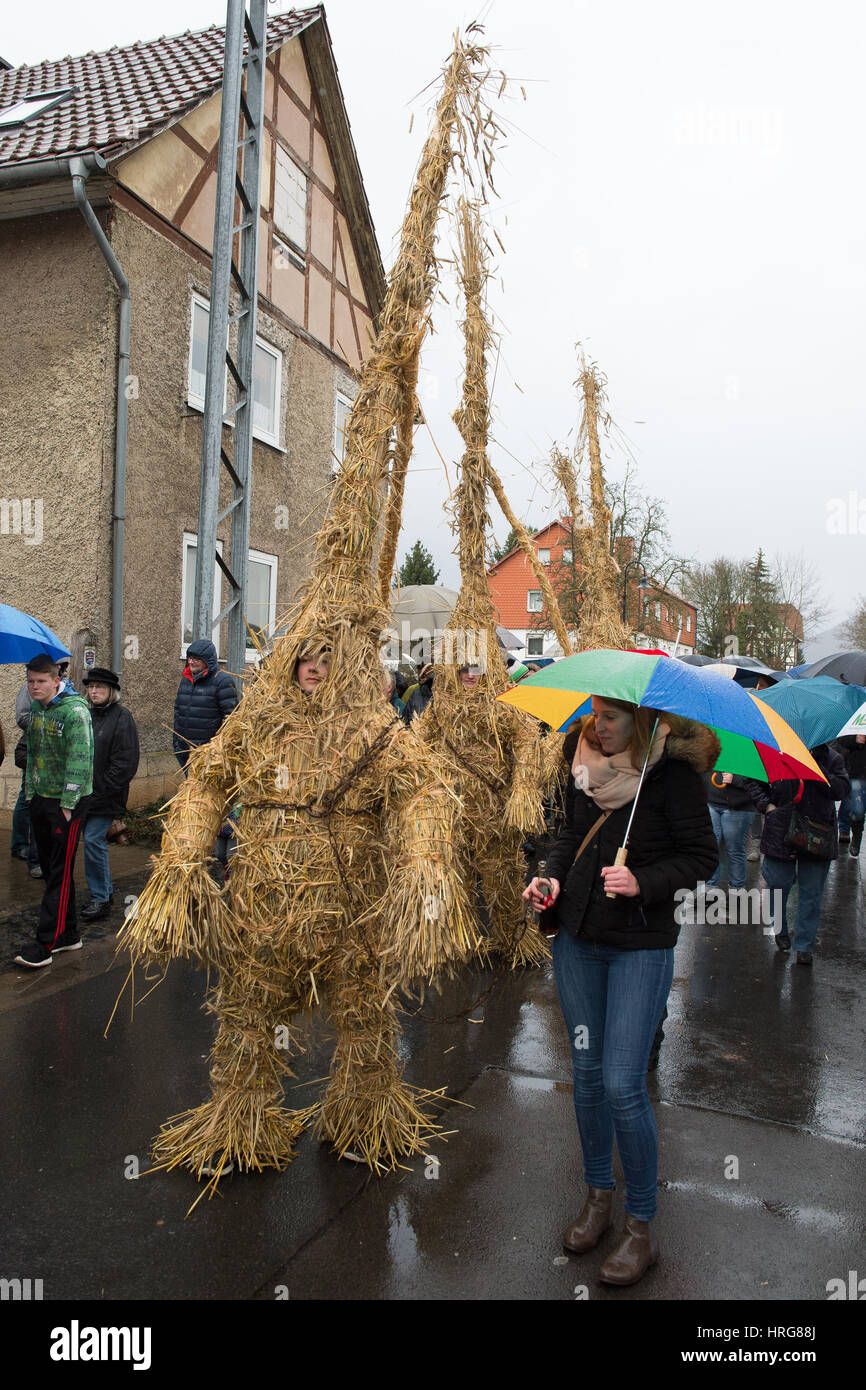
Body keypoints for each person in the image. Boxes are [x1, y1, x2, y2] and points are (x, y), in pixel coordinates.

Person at [524, 696, 718, 1285]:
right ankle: (597, 1198)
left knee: (621, 1084)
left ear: (641, 721)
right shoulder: (582, 763)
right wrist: (550, 879)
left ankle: (639, 1227)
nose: (597, 726)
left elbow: (702, 857)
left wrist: (643, 881)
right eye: (593, 715)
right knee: (585, 1074)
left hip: (640, 947)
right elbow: (567, 837)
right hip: (579, 940)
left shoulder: (673, 777)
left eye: (609, 718)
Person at [14, 653, 94, 968]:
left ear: (55, 680)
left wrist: (68, 804)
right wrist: (31, 793)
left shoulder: (75, 711)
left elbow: (81, 758)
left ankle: (45, 944)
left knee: (58, 874)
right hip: (41, 797)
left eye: (41, 681)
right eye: (31, 681)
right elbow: (32, 752)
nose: (35, 687)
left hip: (67, 803)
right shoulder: (36, 710)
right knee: (51, 871)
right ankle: (69, 934)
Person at [745, 744, 849, 965]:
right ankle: (780, 928)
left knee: (811, 894)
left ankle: (804, 945)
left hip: (816, 834)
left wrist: (817, 767)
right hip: (780, 831)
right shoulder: (773, 753)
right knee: (776, 883)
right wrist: (766, 805)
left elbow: (839, 791)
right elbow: (752, 781)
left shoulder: (832, 759)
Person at [80, 667, 140, 921]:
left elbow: (125, 762)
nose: (94, 691)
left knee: (93, 840)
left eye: (100, 687)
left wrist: (102, 790)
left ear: (111, 691)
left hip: (106, 796)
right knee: (88, 842)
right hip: (83, 795)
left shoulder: (121, 717)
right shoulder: (85, 714)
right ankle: (103, 890)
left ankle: (101, 898)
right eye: (91, 687)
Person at [173, 639, 240, 769]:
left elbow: (231, 719)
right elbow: (178, 711)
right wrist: (176, 743)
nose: (191, 662)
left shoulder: (222, 681)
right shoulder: (186, 680)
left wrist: (215, 748)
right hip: (184, 750)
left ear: (207, 660)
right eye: (190, 658)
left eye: (196, 659)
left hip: (208, 754)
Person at [703, 770, 754, 889]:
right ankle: (709, 888)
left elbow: (760, 783)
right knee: (710, 847)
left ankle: (736, 889)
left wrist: (736, 779)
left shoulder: (751, 753)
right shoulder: (713, 751)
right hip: (711, 802)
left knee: (734, 850)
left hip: (738, 807)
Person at [834, 734, 865, 856]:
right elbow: (841, 740)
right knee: (857, 808)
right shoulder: (856, 720)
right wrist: (856, 739)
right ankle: (856, 836)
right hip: (857, 772)